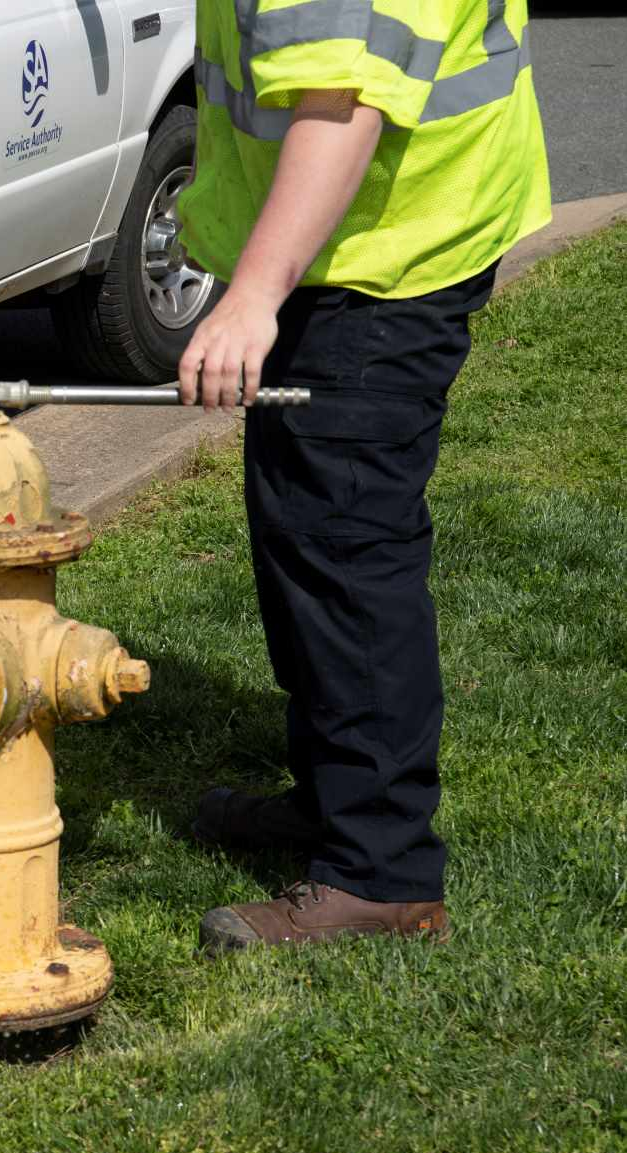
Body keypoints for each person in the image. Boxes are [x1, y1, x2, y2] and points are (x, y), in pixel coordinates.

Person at [172, 0, 550, 951]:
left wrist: (255, 295)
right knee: (302, 527)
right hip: (363, 235)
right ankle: (332, 798)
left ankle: (382, 872)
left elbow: (340, 107)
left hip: (385, 254)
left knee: (344, 544)